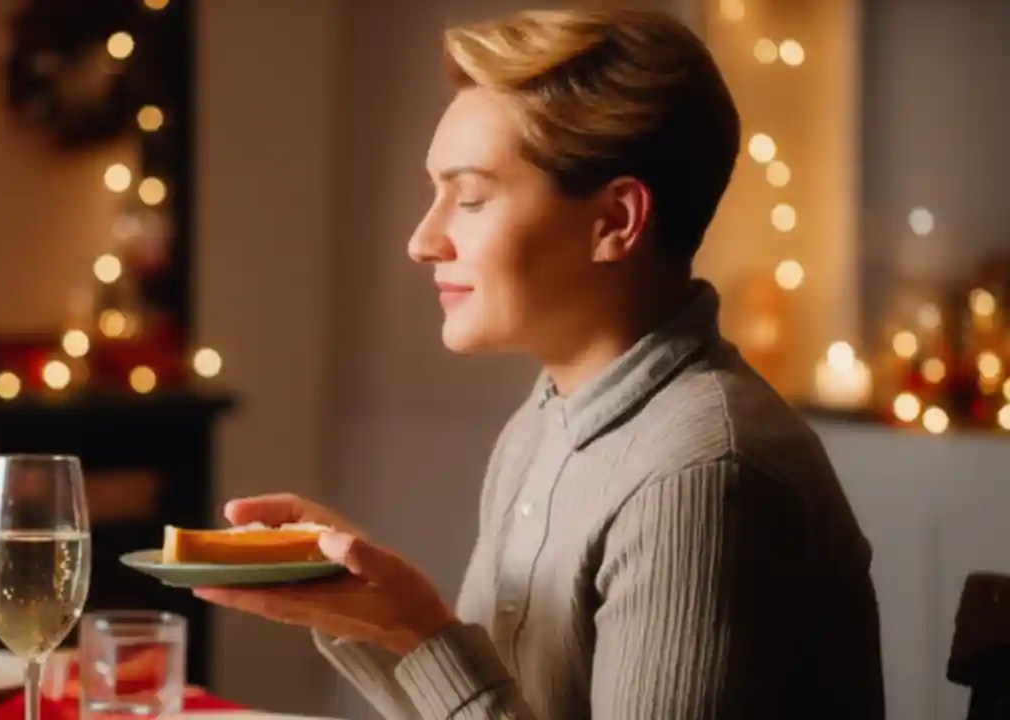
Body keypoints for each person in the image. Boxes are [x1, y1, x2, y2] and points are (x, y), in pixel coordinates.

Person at [194, 7, 884, 719]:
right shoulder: (544, 422)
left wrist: (420, 631)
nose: (422, 241)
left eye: (469, 198)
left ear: (616, 222)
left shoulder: (700, 475)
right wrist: (370, 617)